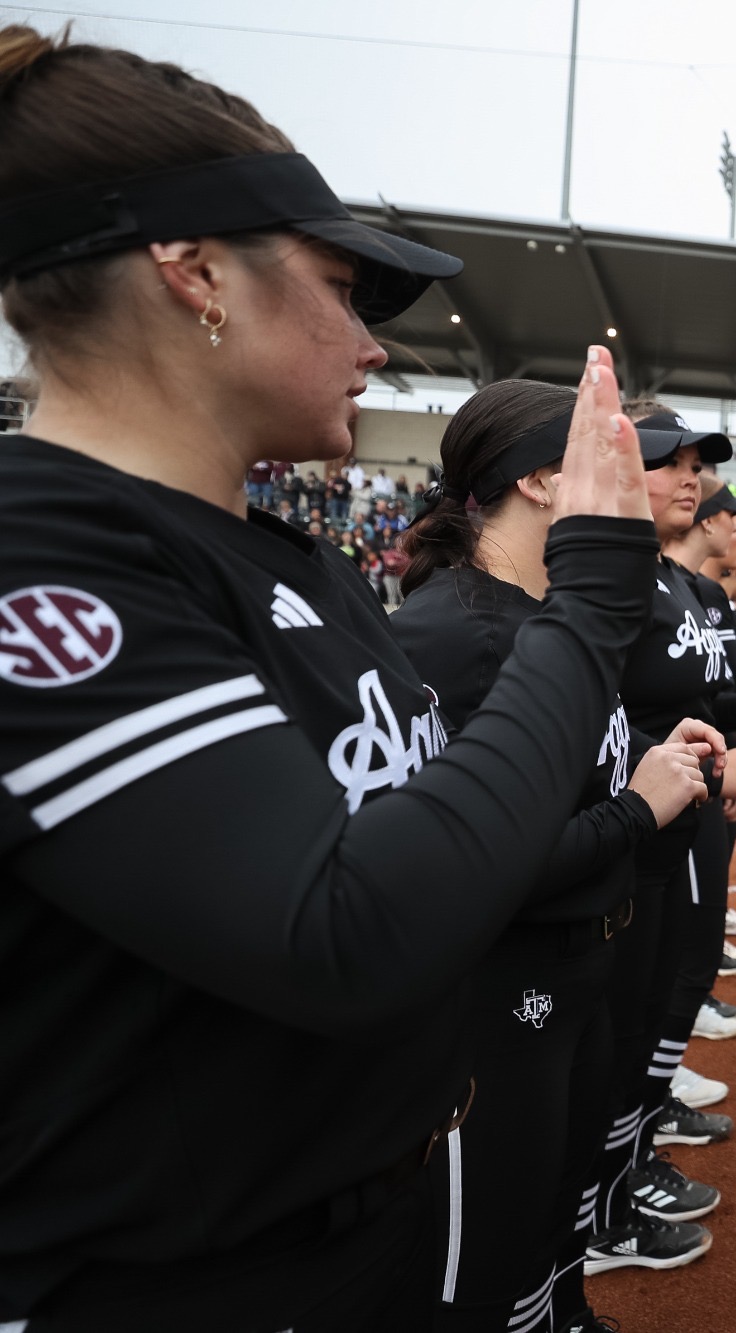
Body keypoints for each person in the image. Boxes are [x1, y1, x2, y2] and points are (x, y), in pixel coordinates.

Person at [0, 24, 690, 1329]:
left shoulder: (286, 554)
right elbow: (346, 931)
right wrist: (591, 602)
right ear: (194, 273)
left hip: (369, 1225)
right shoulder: (38, 549)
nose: (374, 344)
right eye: (341, 286)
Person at [389, 383, 726, 1331]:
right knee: (479, 1266)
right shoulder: (451, 631)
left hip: (582, 976)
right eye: (619, 453)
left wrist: (655, 778)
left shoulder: (558, 616)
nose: (651, 474)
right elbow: (461, 865)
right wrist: (636, 810)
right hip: (496, 1006)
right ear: (542, 480)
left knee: (556, 1222)